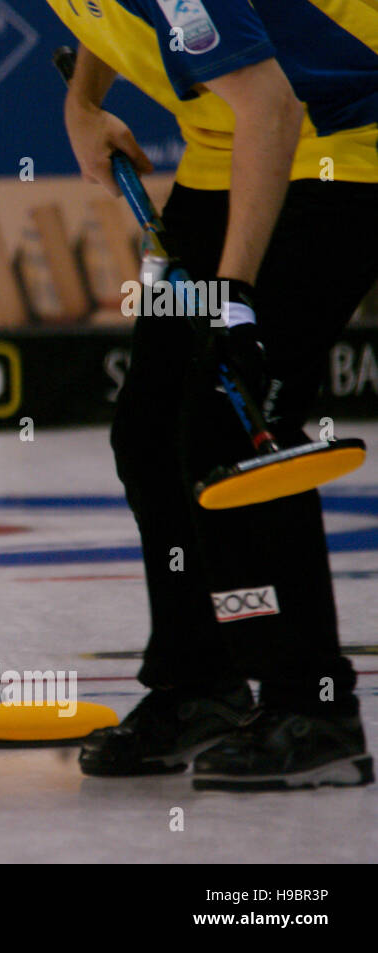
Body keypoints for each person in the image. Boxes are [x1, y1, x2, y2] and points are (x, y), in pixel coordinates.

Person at [50, 0, 377, 789]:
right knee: (150, 431)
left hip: (343, 139)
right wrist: (83, 103)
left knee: (233, 420)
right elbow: (104, 17)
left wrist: (233, 296)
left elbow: (272, 105)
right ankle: (200, 682)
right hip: (220, 154)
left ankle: (314, 705)